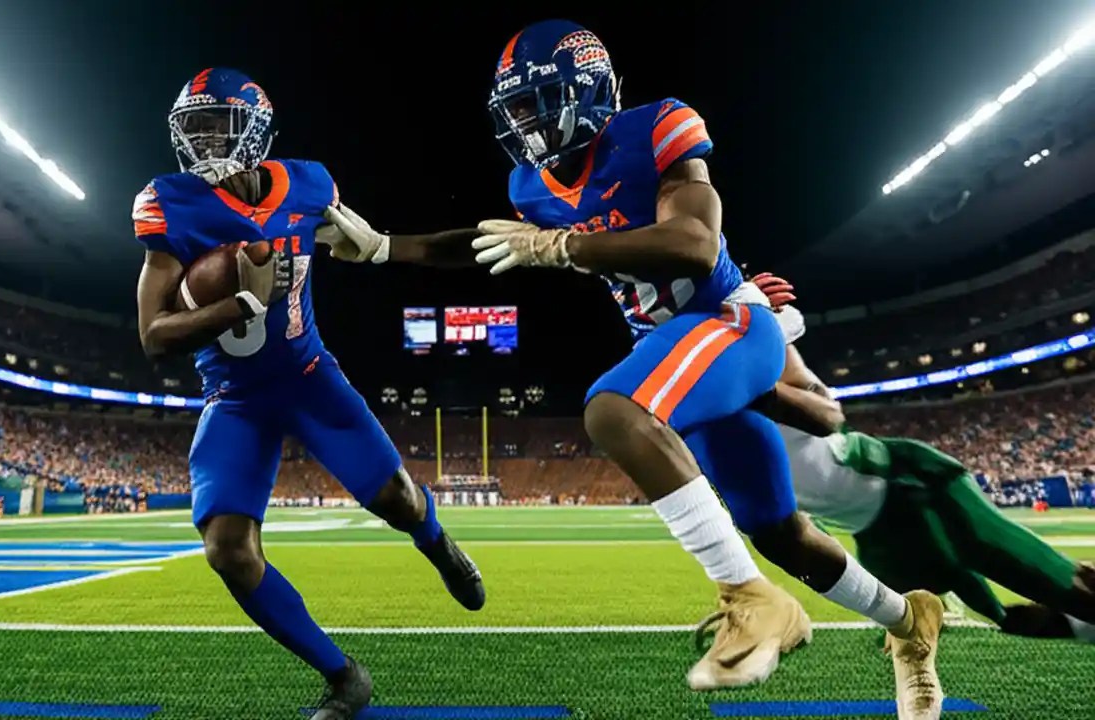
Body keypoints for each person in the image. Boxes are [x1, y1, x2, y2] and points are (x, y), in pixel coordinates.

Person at [320, 21, 943, 715]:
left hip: (727, 323)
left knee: (614, 410)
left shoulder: (656, 129)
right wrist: (383, 248)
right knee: (780, 532)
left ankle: (749, 599)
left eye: (535, 104)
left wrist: (565, 247)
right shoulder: (531, 185)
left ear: (587, 90)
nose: (524, 126)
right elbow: (486, 242)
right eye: (513, 111)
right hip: (674, 351)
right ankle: (909, 620)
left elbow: (695, 242)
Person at [132, 68, 484, 719]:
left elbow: (381, 247)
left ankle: (436, 541)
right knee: (227, 550)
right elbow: (154, 336)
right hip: (234, 396)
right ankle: (343, 676)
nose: (204, 141)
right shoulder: (168, 201)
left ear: (256, 132)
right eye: (194, 128)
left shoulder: (309, 185)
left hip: (309, 376)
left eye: (218, 125)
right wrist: (238, 303)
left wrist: (373, 247)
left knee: (398, 499)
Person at [753, 274, 1095, 645]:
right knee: (975, 605)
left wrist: (753, 376)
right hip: (874, 533)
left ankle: (1081, 604)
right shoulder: (714, 430)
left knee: (1009, 556)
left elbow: (826, 413)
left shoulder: (757, 356)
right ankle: (1075, 624)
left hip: (906, 479)